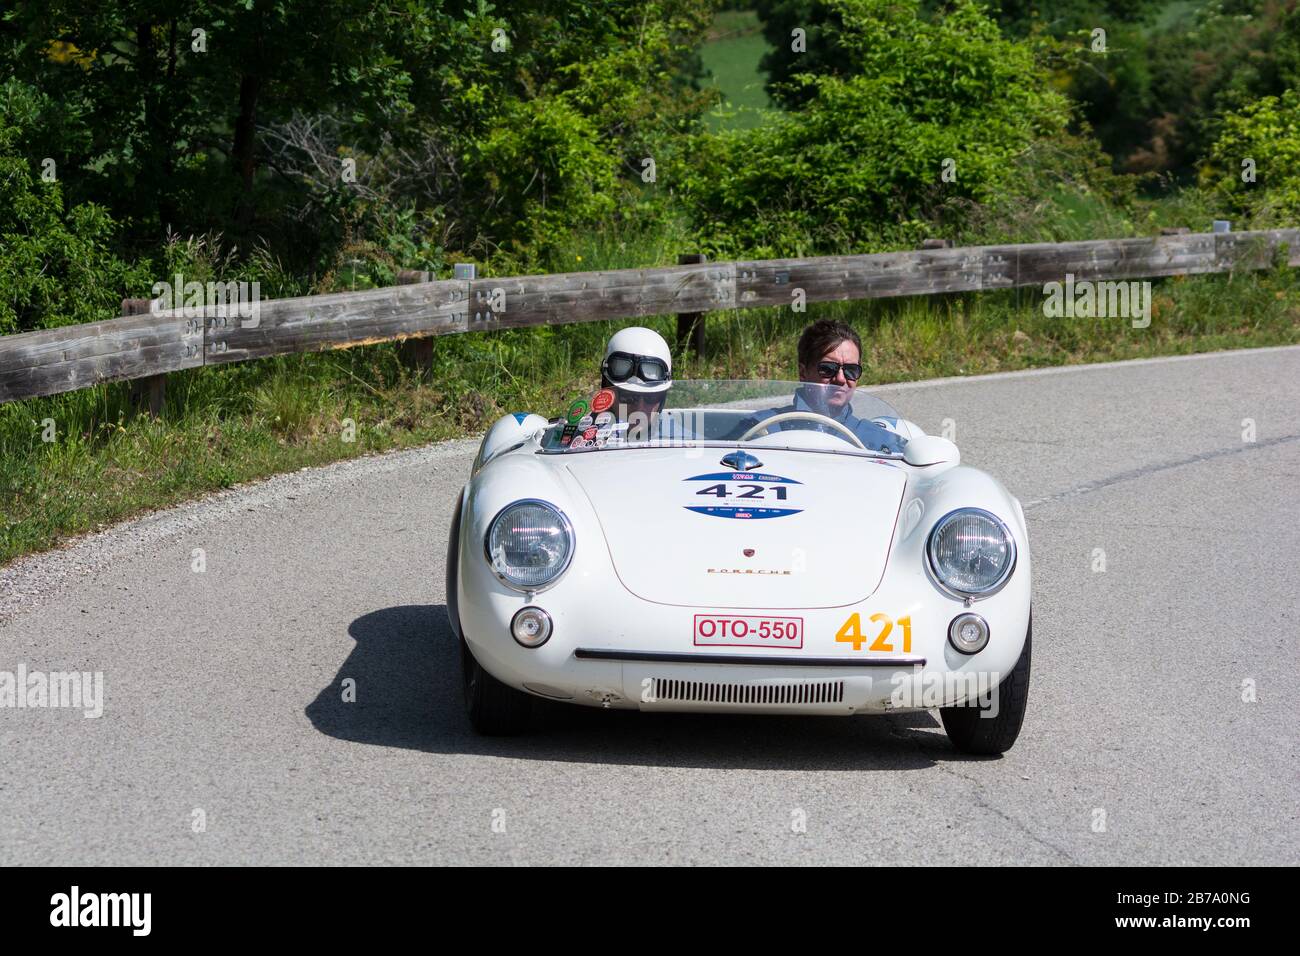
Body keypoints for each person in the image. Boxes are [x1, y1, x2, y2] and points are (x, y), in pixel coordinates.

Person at [728, 319, 906, 453]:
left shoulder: (879, 441)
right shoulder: (757, 428)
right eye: (828, 369)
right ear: (803, 372)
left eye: (851, 370)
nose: (841, 379)